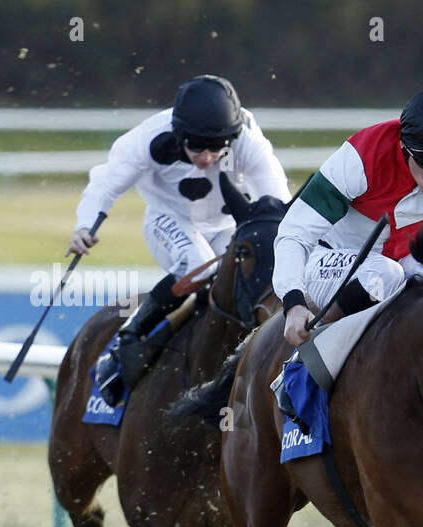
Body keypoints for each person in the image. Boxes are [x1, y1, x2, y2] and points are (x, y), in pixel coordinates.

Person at [73, 75, 291, 404]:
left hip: (226, 227)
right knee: (200, 267)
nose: (206, 157)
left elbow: (276, 205)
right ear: (179, 135)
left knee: (245, 279)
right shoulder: (148, 139)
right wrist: (85, 226)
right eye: (196, 146)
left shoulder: (249, 140)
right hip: (168, 219)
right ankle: (127, 339)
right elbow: (105, 184)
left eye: (216, 147)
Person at [275, 87, 423, 347]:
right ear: (405, 147)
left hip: (405, 261)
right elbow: (293, 233)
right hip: (329, 260)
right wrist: (293, 303)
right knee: (385, 274)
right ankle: (317, 346)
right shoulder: (360, 157)